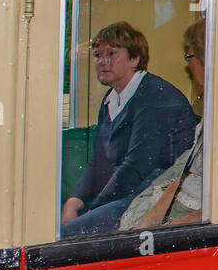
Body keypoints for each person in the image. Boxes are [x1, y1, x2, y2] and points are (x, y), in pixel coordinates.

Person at [60, 22, 194, 237]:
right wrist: (74, 201)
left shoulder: (157, 96)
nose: (103, 61)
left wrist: (92, 209)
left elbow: (137, 166)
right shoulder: (110, 99)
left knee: (68, 236)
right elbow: (98, 161)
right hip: (127, 193)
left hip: (154, 197)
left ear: (135, 59)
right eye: (97, 55)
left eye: (112, 53)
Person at [118, 18, 207, 230]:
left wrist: (162, 233)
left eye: (190, 56)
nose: (188, 64)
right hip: (165, 203)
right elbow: (182, 175)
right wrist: (146, 226)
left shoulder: (160, 98)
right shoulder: (212, 111)